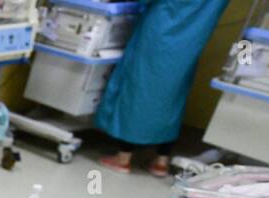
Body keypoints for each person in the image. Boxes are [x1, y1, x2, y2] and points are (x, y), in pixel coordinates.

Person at [94, 0, 231, 177]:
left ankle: (123, 157)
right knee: (173, 95)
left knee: (140, 87)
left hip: (161, 30)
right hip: (191, 39)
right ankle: (161, 161)